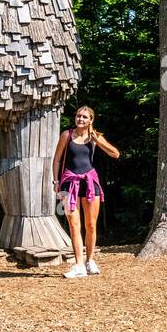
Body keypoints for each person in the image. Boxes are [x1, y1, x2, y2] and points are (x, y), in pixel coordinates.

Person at [53, 105, 121, 278]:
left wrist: (97, 141)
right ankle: (78, 265)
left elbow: (115, 154)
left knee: (90, 225)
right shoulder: (66, 135)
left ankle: (90, 261)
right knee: (74, 225)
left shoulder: (95, 137)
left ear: (91, 120)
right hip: (69, 183)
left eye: (84, 117)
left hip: (90, 183)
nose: (80, 119)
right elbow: (57, 160)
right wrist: (56, 182)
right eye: (78, 116)